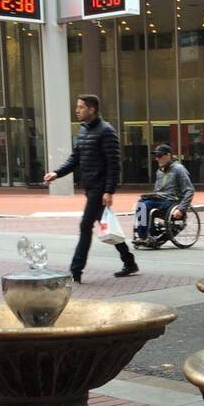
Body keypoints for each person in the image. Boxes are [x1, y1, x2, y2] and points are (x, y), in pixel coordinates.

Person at [42, 93, 138, 280]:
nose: (77, 110)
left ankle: (75, 270)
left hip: (99, 189)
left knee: (85, 226)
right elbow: (75, 158)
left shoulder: (106, 131)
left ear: (92, 109)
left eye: (80, 107)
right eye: (77, 107)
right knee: (107, 226)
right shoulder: (83, 130)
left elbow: (114, 163)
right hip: (90, 186)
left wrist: (109, 190)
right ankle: (129, 262)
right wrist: (57, 173)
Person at [134, 144, 194, 243]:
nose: (157, 159)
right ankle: (148, 234)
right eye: (156, 156)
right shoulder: (159, 171)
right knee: (141, 203)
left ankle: (144, 236)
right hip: (160, 199)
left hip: (172, 201)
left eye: (160, 156)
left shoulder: (179, 169)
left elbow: (189, 190)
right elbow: (157, 190)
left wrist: (181, 209)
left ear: (168, 155)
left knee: (145, 205)